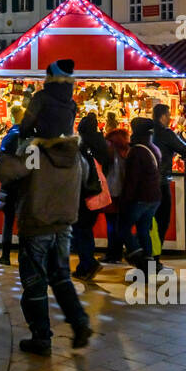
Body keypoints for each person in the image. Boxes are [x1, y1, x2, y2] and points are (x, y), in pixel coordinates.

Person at [0, 129, 92, 355]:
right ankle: (79, 322)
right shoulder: (76, 155)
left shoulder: (36, 153)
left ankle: (41, 337)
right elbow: (85, 178)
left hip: (37, 225)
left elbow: (9, 170)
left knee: (34, 282)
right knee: (61, 278)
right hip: (64, 226)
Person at [151, 103, 186, 256]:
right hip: (161, 182)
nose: (170, 118)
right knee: (162, 220)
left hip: (148, 182)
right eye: (168, 115)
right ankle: (155, 257)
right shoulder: (166, 133)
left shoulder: (149, 132)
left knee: (150, 222)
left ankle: (149, 255)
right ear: (162, 116)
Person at [71, 108, 114, 280]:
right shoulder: (102, 143)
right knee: (85, 230)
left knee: (80, 230)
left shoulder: (82, 146)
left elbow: (79, 171)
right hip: (99, 190)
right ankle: (85, 265)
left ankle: (88, 263)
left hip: (86, 193)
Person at [122, 117, 163, 272]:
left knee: (123, 227)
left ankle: (139, 260)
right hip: (154, 197)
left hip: (140, 197)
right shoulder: (153, 148)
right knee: (143, 229)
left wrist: (126, 200)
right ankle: (149, 265)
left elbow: (132, 180)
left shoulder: (137, 151)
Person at [0, 104, 25, 265]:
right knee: (23, 222)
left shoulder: (10, 136)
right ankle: (23, 255)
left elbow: (0, 158)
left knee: (8, 221)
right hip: (25, 186)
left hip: (9, 185)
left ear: (13, 117)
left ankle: (5, 255)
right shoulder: (29, 136)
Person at [20, 59, 77, 139]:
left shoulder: (40, 97)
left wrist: (25, 135)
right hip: (65, 147)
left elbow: (26, 124)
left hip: (43, 146)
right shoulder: (72, 104)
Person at [100, 122, 130, 263]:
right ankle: (118, 252)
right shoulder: (127, 152)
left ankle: (113, 253)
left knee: (111, 225)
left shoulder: (111, 153)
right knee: (120, 224)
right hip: (124, 193)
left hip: (112, 192)